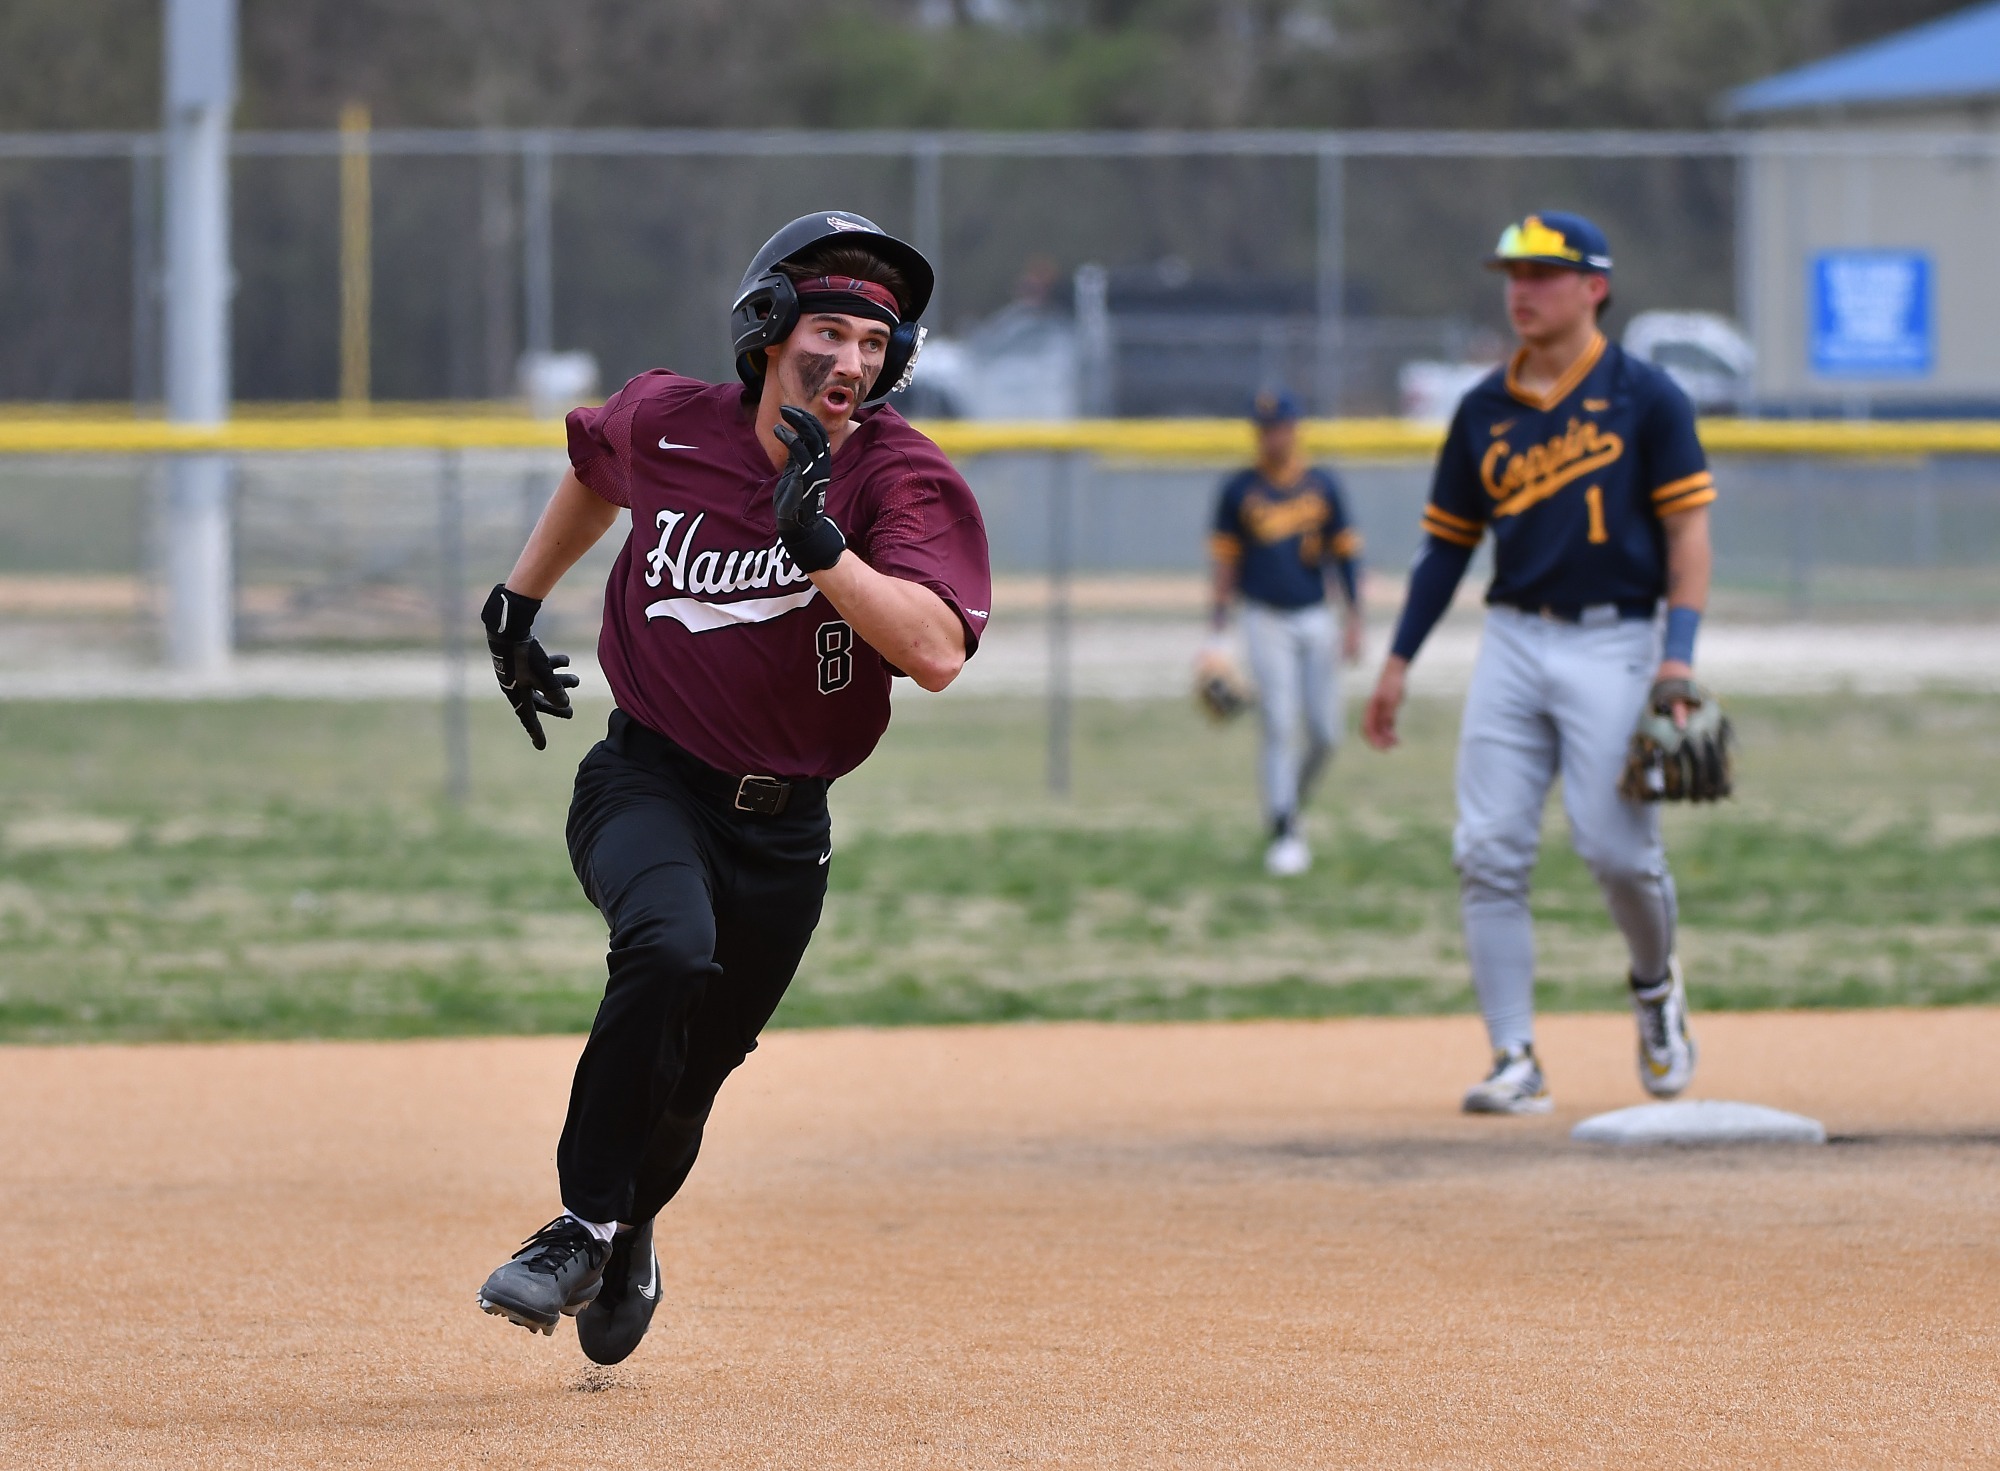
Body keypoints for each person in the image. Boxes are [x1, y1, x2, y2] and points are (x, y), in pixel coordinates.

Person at [473, 211, 991, 1362]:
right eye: (828, 328)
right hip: (647, 775)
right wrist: (517, 601)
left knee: (690, 1078)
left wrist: (820, 542)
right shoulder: (670, 419)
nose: (850, 358)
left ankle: (628, 1225)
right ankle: (576, 1227)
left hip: (784, 828)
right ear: (765, 328)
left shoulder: (899, 478)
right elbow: (593, 466)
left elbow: (938, 650)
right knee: (664, 945)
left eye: (874, 340)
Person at [1361, 212, 1714, 1115]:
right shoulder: (1482, 409)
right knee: (1486, 848)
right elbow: (1446, 549)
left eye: (1544, 274)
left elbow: (1688, 534)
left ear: (1594, 286)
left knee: (1617, 850)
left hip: (1618, 637)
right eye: (1513, 274)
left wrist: (1676, 662)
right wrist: (1399, 658)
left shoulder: (1649, 396)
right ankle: (1514, 1055)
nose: (1522, 290)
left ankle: (1654, 987)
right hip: (1515, 636)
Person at [1208, 389, 1364, 877]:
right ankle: (1284, 830)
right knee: (1278, 723)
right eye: (1265, 428)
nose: (1273, 436)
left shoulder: (1322, 484)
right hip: (1264, 616)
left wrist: (1354, 618)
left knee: (1326, 732)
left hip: (1317, 614)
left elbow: (1346, 553)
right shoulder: (1239, 489)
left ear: (1296, 429)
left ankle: (1286, 806)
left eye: (1281, 426)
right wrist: (1216, 631)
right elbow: (1225, 562)